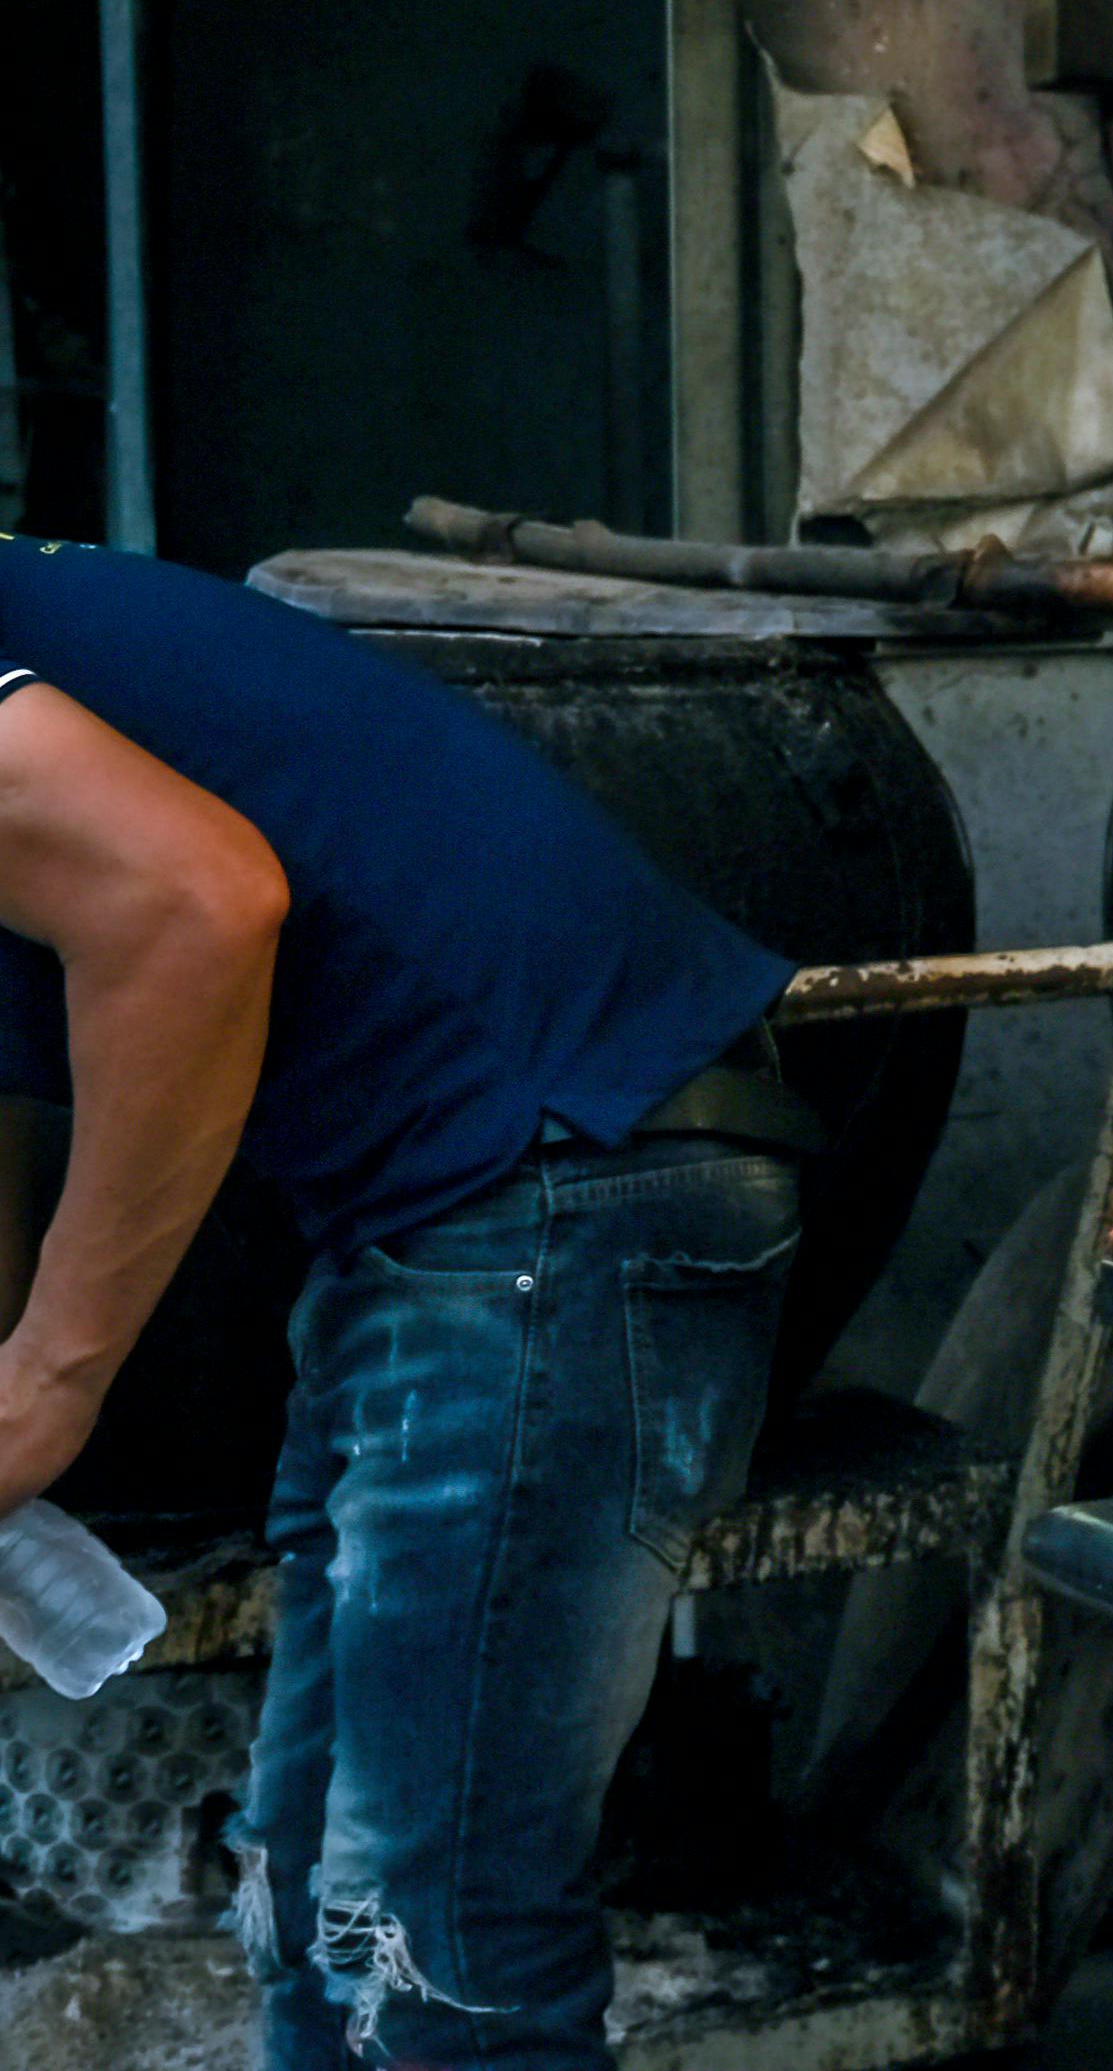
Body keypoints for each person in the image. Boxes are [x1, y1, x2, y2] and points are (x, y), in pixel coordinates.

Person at [0, 536, 811, 2071]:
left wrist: (51, 1376)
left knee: (442, 1959)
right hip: (451, 1220)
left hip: (552, 1192)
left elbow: (195, 902)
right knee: (325, 1924)